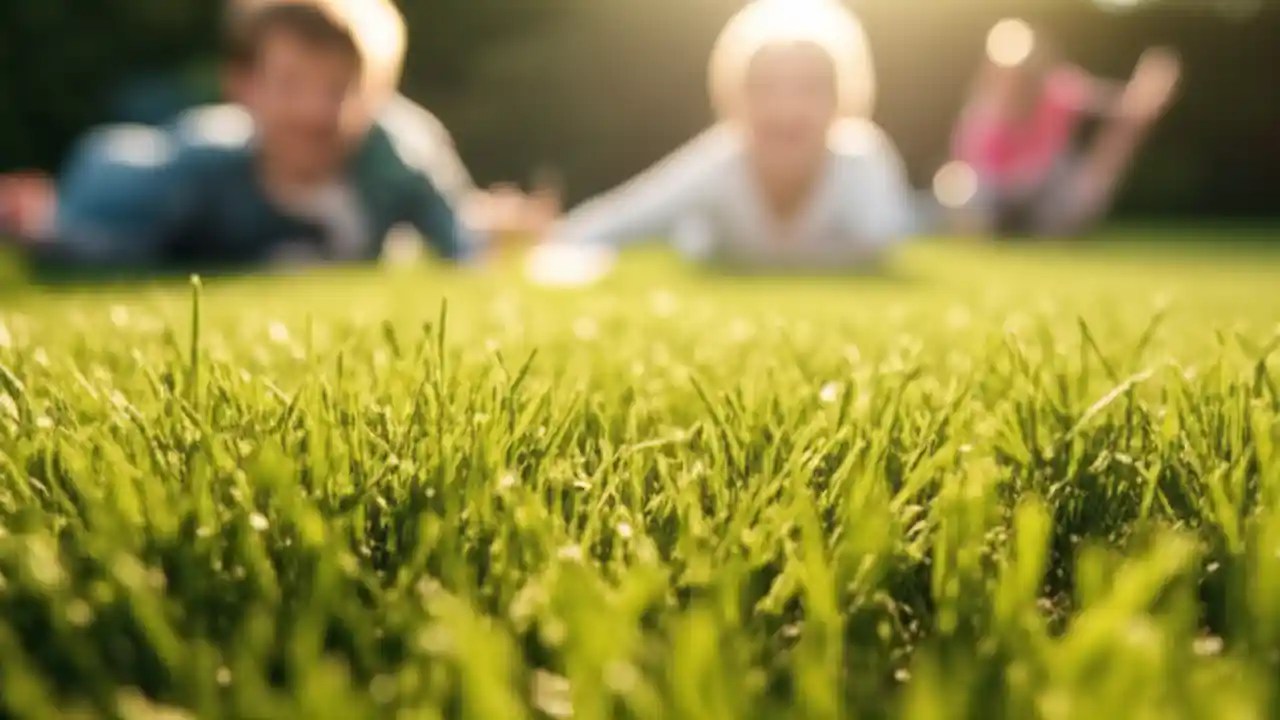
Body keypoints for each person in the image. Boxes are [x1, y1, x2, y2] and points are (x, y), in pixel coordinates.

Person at [0, 0, 516, 272]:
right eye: (291, 84)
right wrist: (48, 229)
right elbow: (116, 243)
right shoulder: (205, 162)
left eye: (339, 88)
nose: (316, 111)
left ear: (377, 91)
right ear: (243, 87)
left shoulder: (402, 153)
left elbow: (461, 240)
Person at [534, 0, 915, 276]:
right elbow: (629, 215)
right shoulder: (721, 162)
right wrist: (553, 236)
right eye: (766, 87)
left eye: (809, 87)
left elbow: (884, 240)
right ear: (737, 98)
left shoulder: (861, 160)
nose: (786, 108)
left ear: (840, 98)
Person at [943, 18, 1182, 237]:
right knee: (961, 186)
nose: (1018, 78)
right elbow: (975, 171)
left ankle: (1043, 230)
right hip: (997, 195)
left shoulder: (1059, 89)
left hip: (1042, 191)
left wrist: (1148, 91)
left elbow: (1122, 106)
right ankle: (990, 231)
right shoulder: (981, 112)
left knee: (1093, 165)